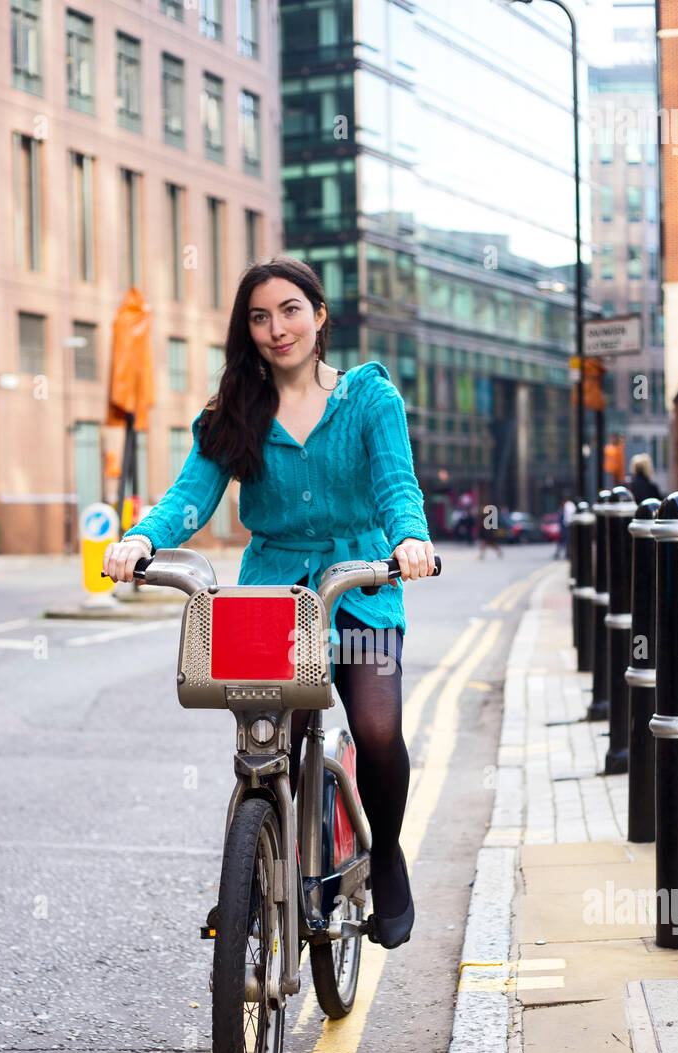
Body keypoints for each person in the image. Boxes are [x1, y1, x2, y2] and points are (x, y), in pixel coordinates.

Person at [103, 256, 436, 950]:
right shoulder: (235, 413)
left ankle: (390, 856)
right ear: (247, 330)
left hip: (362, 586)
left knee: (375, 728)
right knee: (264, 745)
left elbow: (396, 486)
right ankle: (253, 876)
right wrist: (140, 537)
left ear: (318, 315)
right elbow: (191, 497)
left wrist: (409, 539)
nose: (276, 327)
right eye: (259, 316)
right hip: (272, 595)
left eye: (289, 310)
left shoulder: (370, 399)